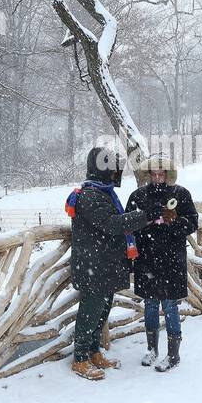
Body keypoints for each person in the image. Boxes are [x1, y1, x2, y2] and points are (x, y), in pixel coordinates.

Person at [65, 146, 155, 381]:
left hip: (103, 265)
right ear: (102, 170)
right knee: (90, 312)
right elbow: (111, 224)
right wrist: (143, 216)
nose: (117, 175)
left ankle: (94, 352)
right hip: (93, 267)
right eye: (114, 170)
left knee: (101, 312)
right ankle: (80, 358)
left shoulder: (102, 193)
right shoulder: (90, 196)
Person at [127, 156, 199, 372]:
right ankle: (152, 350)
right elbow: (127, 223)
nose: (158, 178)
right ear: (148, 174)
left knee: (169, 304)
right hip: (146, 260)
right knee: (149, 304)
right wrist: (146, 219)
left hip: (171, 259)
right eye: (154, 174)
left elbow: (193, 222)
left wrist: (174, 221)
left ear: (168, 174)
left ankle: (173, 355)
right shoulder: (138, 196)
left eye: (162, 174)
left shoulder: (181, 194)